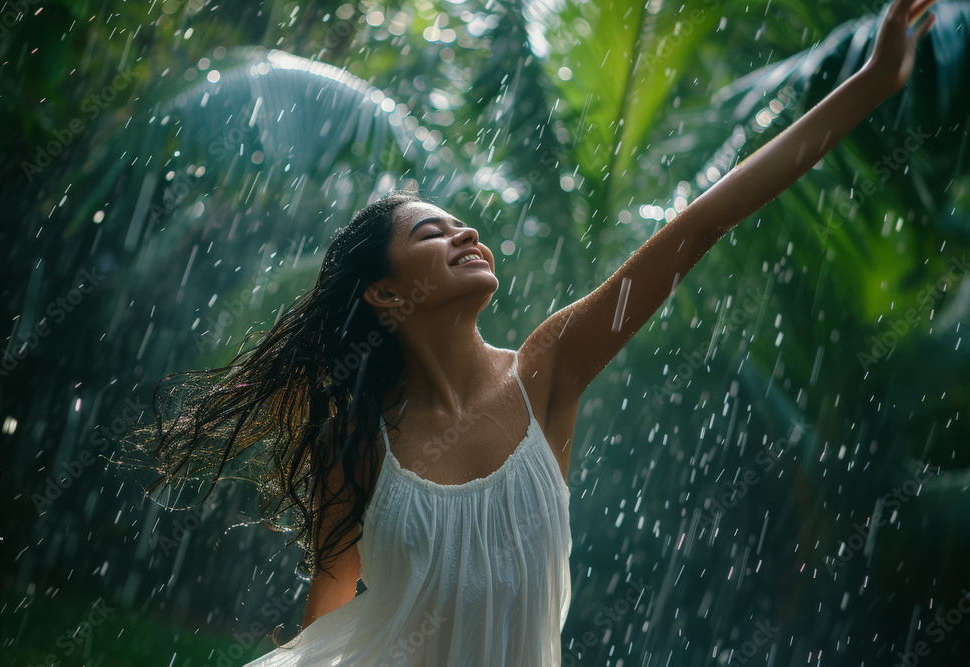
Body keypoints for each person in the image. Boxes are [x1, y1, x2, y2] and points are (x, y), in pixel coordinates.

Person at [133, 0, 936, 664]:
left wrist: (872, 85)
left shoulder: (547, 368)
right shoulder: (361, 438)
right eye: (430, 234)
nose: (463, 234)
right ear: (386, 294)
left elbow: (704, 221)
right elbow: (331, 607)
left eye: (460, 224)